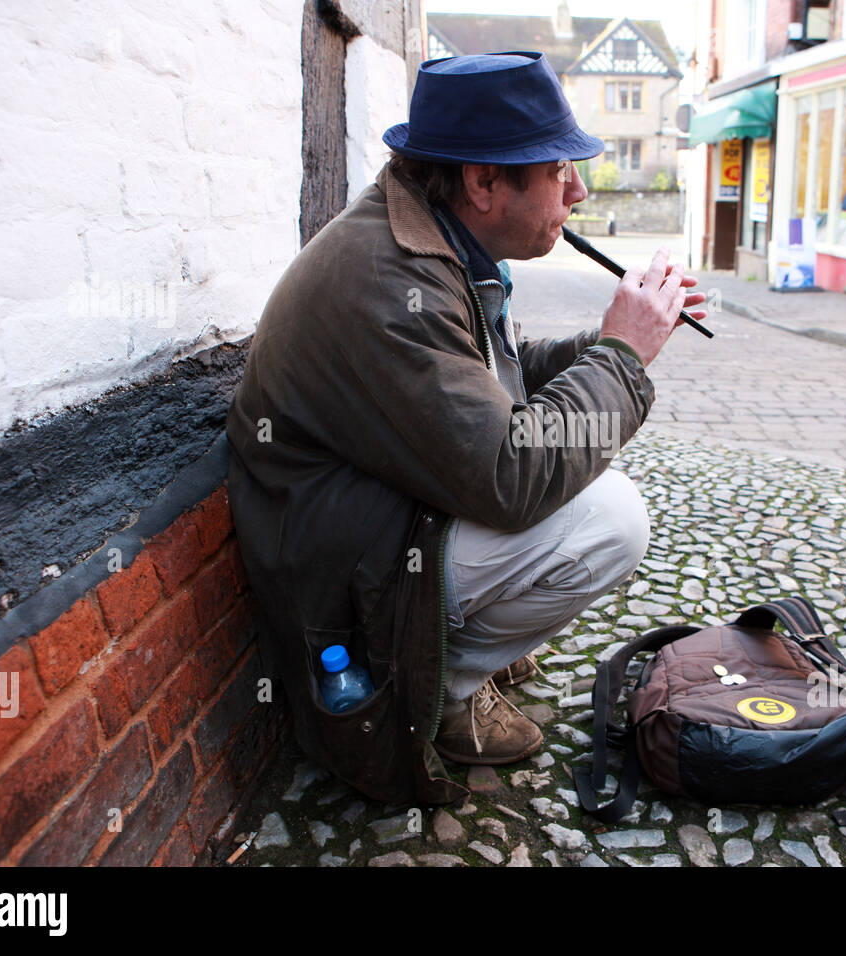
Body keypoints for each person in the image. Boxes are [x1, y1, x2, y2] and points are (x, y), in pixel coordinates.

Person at [225, 52, 706, 803]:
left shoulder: (433, 236)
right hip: (336, 565)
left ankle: (453, 643)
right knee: (611, 519)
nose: (578, 191)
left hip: (379, 501)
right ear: (482, 182)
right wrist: (621, 356)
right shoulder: (390, 281)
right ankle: (436, 688)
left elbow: (488, 382)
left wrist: (613, 340)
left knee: (591, 499)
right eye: (558, 170)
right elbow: (510, 476)